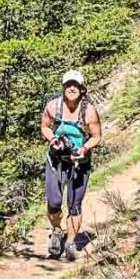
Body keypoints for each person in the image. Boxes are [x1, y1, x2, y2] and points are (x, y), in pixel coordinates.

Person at [40, 70, 102, 261]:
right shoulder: (53, 106)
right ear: (64, 87)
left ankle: (70, 242)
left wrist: (84, 148)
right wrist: (53, 140)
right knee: (53, 203)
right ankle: (57, 231)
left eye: (76, 85)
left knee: (74, 205)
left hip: (80, 163)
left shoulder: (89, 111)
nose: (72, 88)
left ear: (82, 89)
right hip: (56, 160)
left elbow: (96, 136)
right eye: (68, 85)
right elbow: (45, 127)